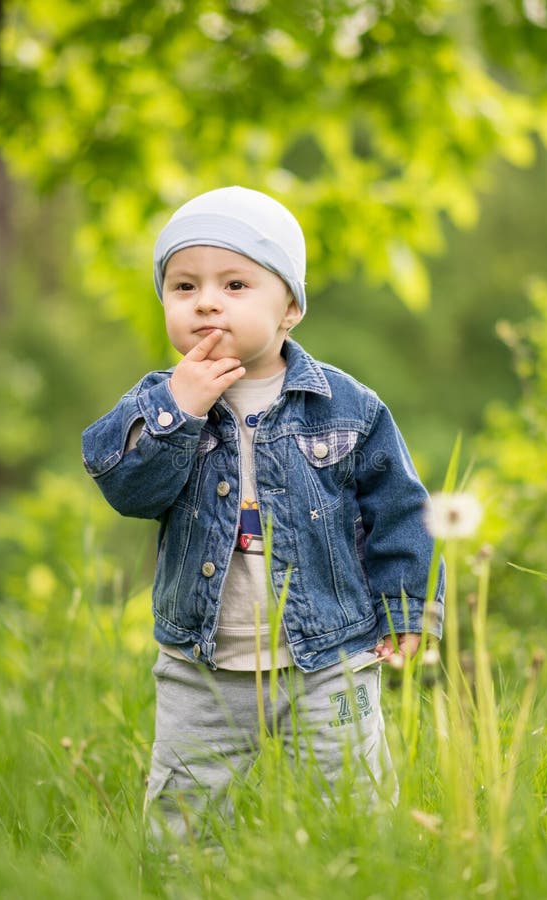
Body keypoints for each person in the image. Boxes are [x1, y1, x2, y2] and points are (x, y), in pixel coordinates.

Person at [82, 186, 445, 838]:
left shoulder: (347, 406)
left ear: (291, 308)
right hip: (203, 667)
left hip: (331, 656)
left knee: (354, 812)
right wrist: (178, 412)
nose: (207, 302)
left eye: (236, 283)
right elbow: (128, 490)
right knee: (181, 825)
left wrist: (409, 608)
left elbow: (399, 508)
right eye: (184, 286)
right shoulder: (158, 401)